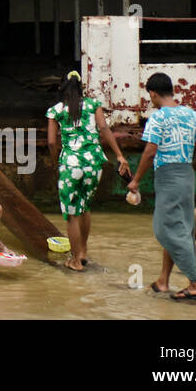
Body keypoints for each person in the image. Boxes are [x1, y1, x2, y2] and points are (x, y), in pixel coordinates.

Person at [126, 71, 196, 300]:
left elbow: (150, 152)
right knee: (181, 228)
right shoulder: (192, 115)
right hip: (186, 177)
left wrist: (135, 181)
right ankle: (163, 280)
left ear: (153, 94)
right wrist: (190, 170)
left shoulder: (158, 117)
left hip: (167, 176)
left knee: (164, 228)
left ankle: (195, 283)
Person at [46, 70, 131, 271]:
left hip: (70, 164)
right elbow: (104, 130)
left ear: (61, 88)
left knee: (71, 214)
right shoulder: (93, 105)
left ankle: (75, 261)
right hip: (94, 164)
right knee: (85, 207)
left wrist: (55, 164)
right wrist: (119, 155)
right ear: (81, 87)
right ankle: (83, 251)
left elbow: (51, 142)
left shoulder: (56, 110)